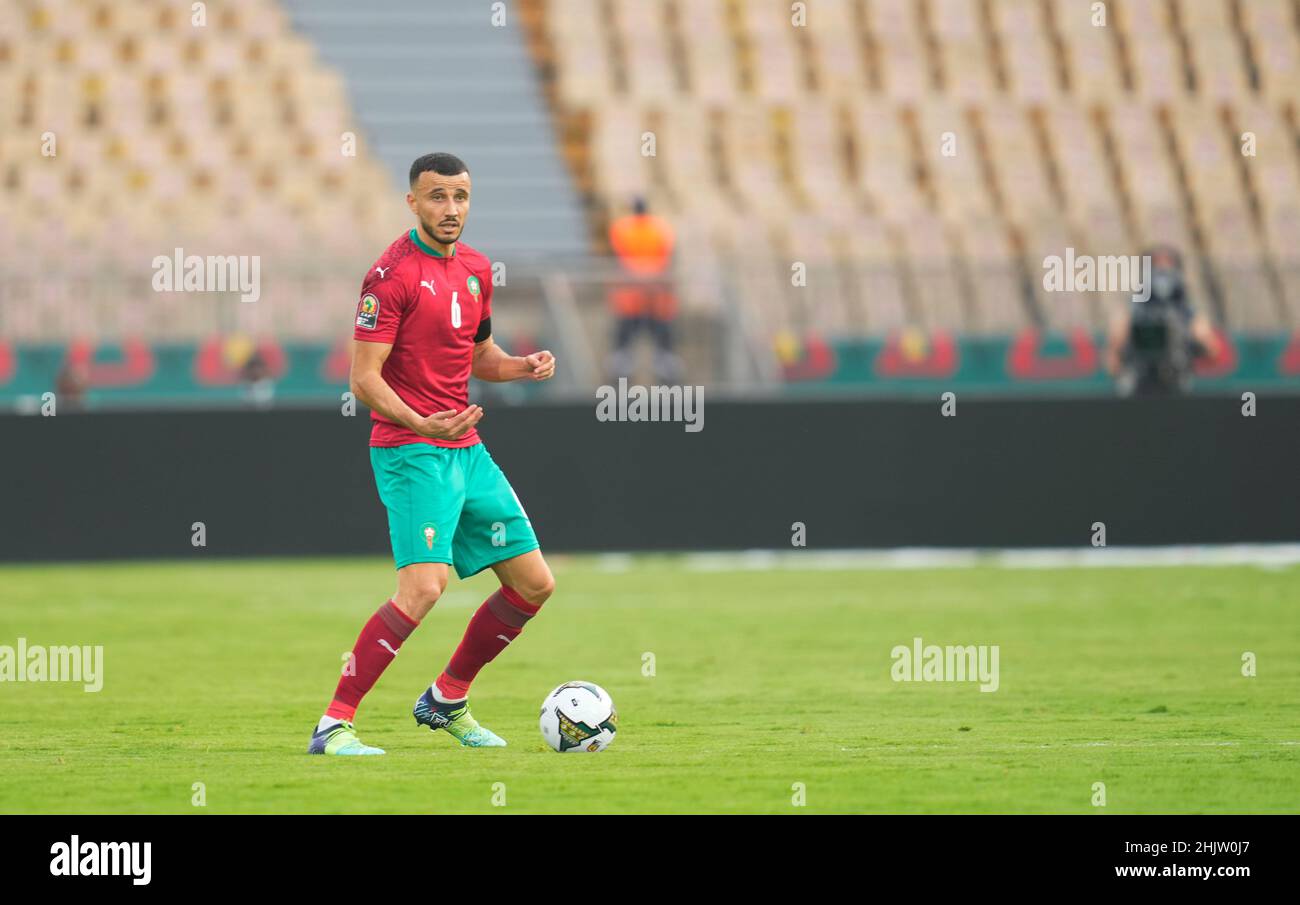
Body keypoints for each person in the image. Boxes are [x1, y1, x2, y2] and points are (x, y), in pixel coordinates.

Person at [308, 152, 557, 755]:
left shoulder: (475, 269)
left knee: (533, 585)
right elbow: (363, 379)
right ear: (413, 202)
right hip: (411, 449)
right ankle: (333, 725)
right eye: (438, 197)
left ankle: (446, 699)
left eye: (461, 197)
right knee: (423, 587)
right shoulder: (389, 275)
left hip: (464, 448)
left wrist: (519, 367)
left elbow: (478, 355)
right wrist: (422, 422)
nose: (451, 209)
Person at [1105, 245, 1221, 396]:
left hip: (1175, 385)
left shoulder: (1188, 313)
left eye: (1167, 267)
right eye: (1156, 267)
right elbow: (1112, 361)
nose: (1162, 275)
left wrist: (1194, 341)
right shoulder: (1132, 311)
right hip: (1140, 384)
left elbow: (1213, 351)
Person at [606, 197, 682, 382]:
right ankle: (624, 361)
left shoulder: (653, 228)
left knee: (659, 331)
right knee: (627, 331)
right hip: (637, 293)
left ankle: (663, 361)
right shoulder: (628, 228)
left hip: (650, 293)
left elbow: (666, 256)